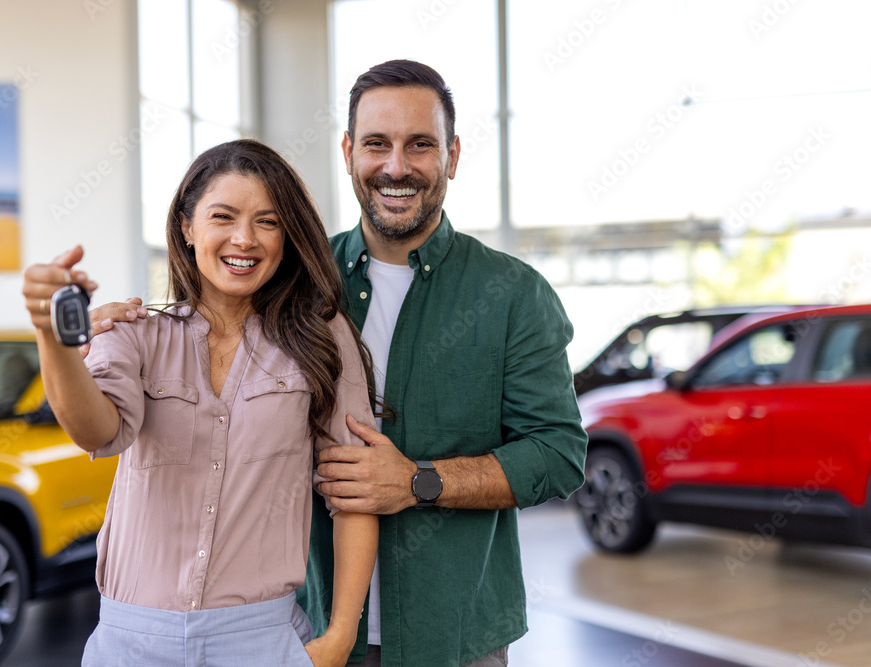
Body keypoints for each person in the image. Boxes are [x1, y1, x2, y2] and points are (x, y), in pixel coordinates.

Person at [91, 61, 588, 667]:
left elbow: (557, 455)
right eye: (377, 144)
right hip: (307, 630)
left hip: (454, 635)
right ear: (350, 152)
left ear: (452, 156)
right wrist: (111, 328)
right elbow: (203, 332)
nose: (397, 167)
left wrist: (418, 481)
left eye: (421, 145)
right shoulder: (292, 282)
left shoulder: (513, 295)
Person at [22, 139, 378, 667]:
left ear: (288, 237)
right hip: (130, 642)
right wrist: (52, 339)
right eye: (223, 217)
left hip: (264, 640)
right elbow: (95, 430)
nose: (244, 239)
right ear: (187, 228)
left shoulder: (322, 339)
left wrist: (341, 636)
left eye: (268, 221)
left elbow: (355, 492)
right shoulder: (136, 335)